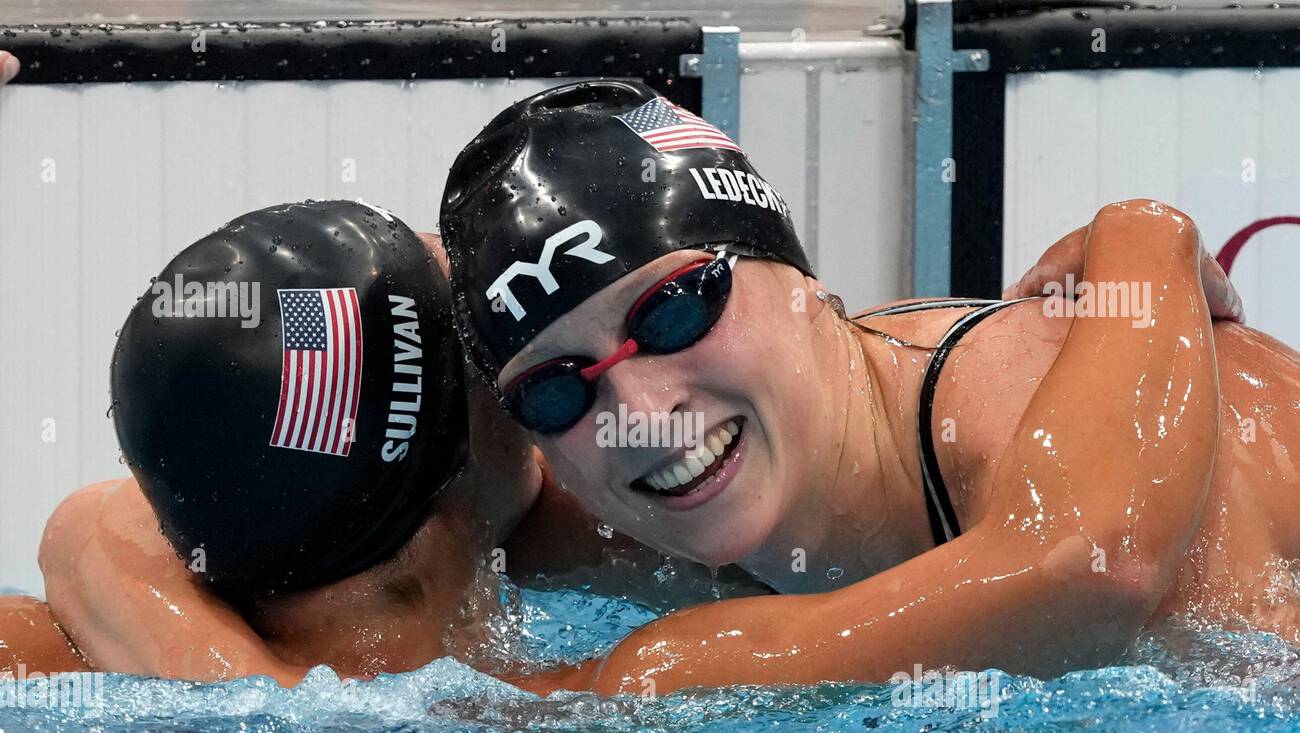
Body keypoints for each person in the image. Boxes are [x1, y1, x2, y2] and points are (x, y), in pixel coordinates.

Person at [438, 80, 1297, 696]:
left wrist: (1144, 235)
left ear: (800, 279)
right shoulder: (696, 502)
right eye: (555, 392)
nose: (644, 417)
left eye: (673, 313)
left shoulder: (1015, 418)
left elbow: (1094, 570)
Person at [3, 200, 755, 687]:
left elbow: (103, 514)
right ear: (450, 461)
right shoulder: (628, 691)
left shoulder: (42, 655)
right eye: (495, 355)